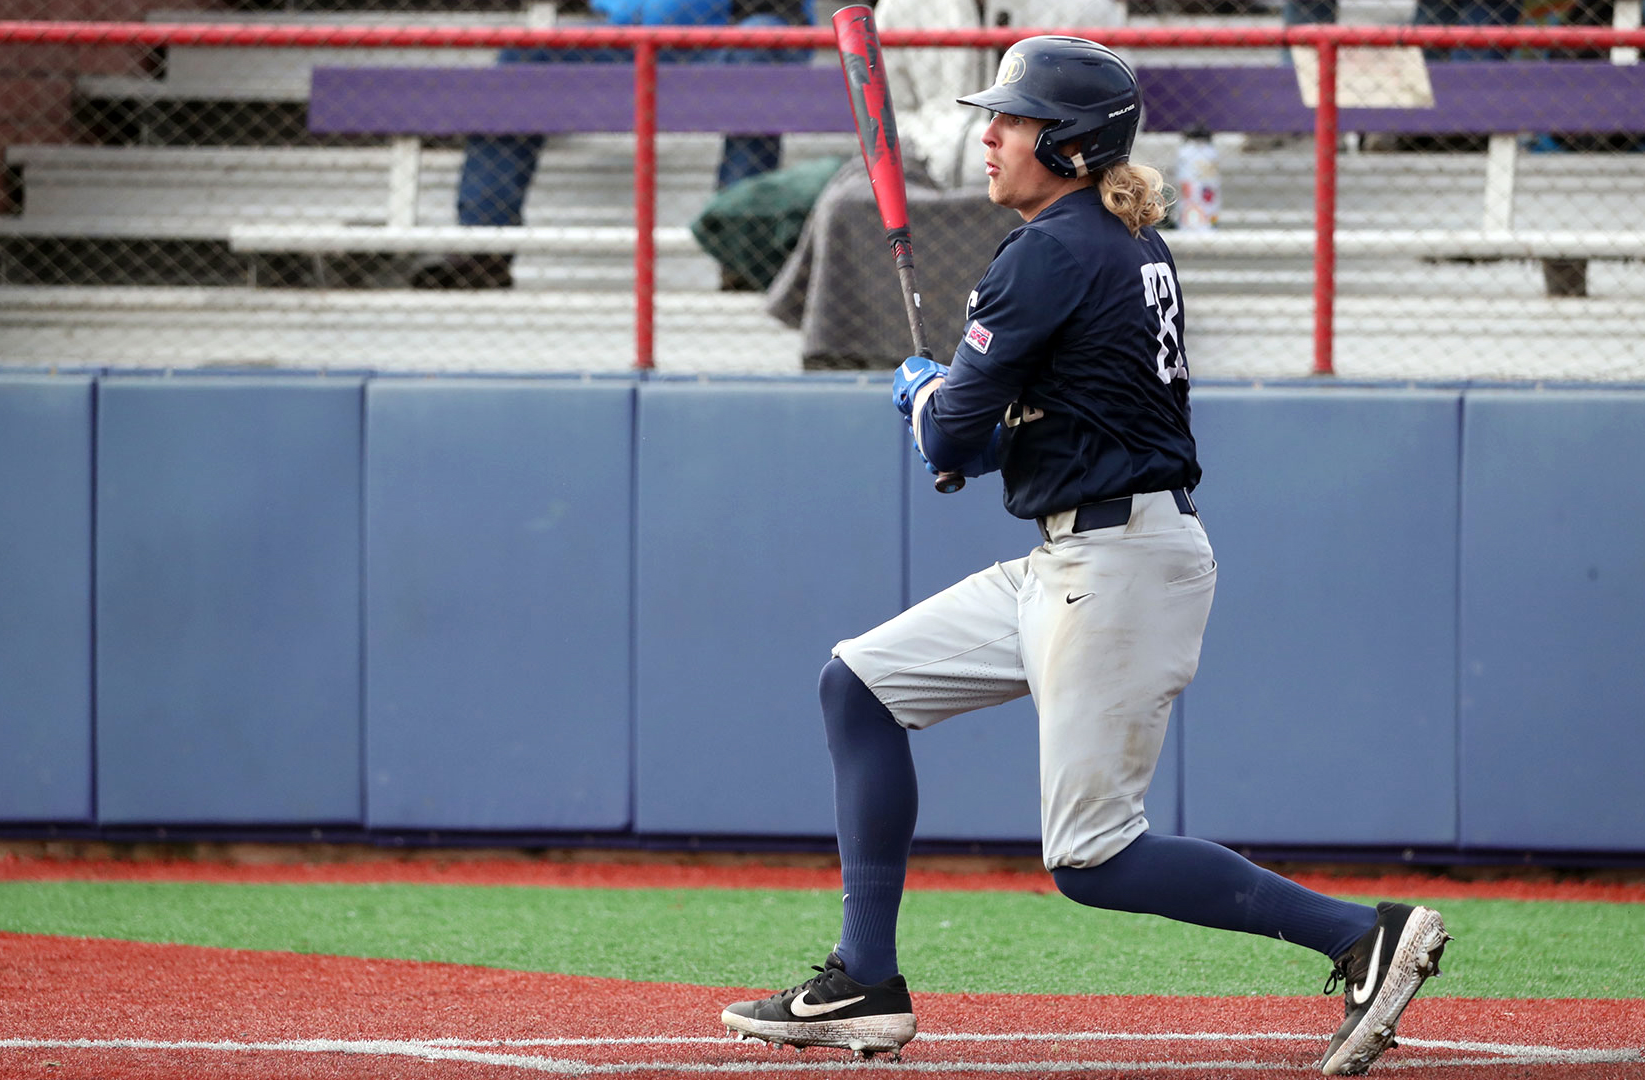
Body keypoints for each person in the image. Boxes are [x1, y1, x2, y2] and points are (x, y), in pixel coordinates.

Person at [718, 36, 1452, 1077]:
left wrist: (921, 393)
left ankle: (1360, 935)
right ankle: (864, 982)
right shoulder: (1111, 239)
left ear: (1066, 145)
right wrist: (961, 409)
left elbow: (948, 441)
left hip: (1115, 565)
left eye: (1011, 121)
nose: (989, 136)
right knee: (861, 685)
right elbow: (1003, 428)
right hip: (1082, 555)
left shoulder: (1054, 250)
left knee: (1095, 856)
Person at [412, 0, 808, 289]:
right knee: (525, 52)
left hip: (724, 39)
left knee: (758, 46)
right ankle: (484, 248)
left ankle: (745, 248)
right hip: (628, 40)